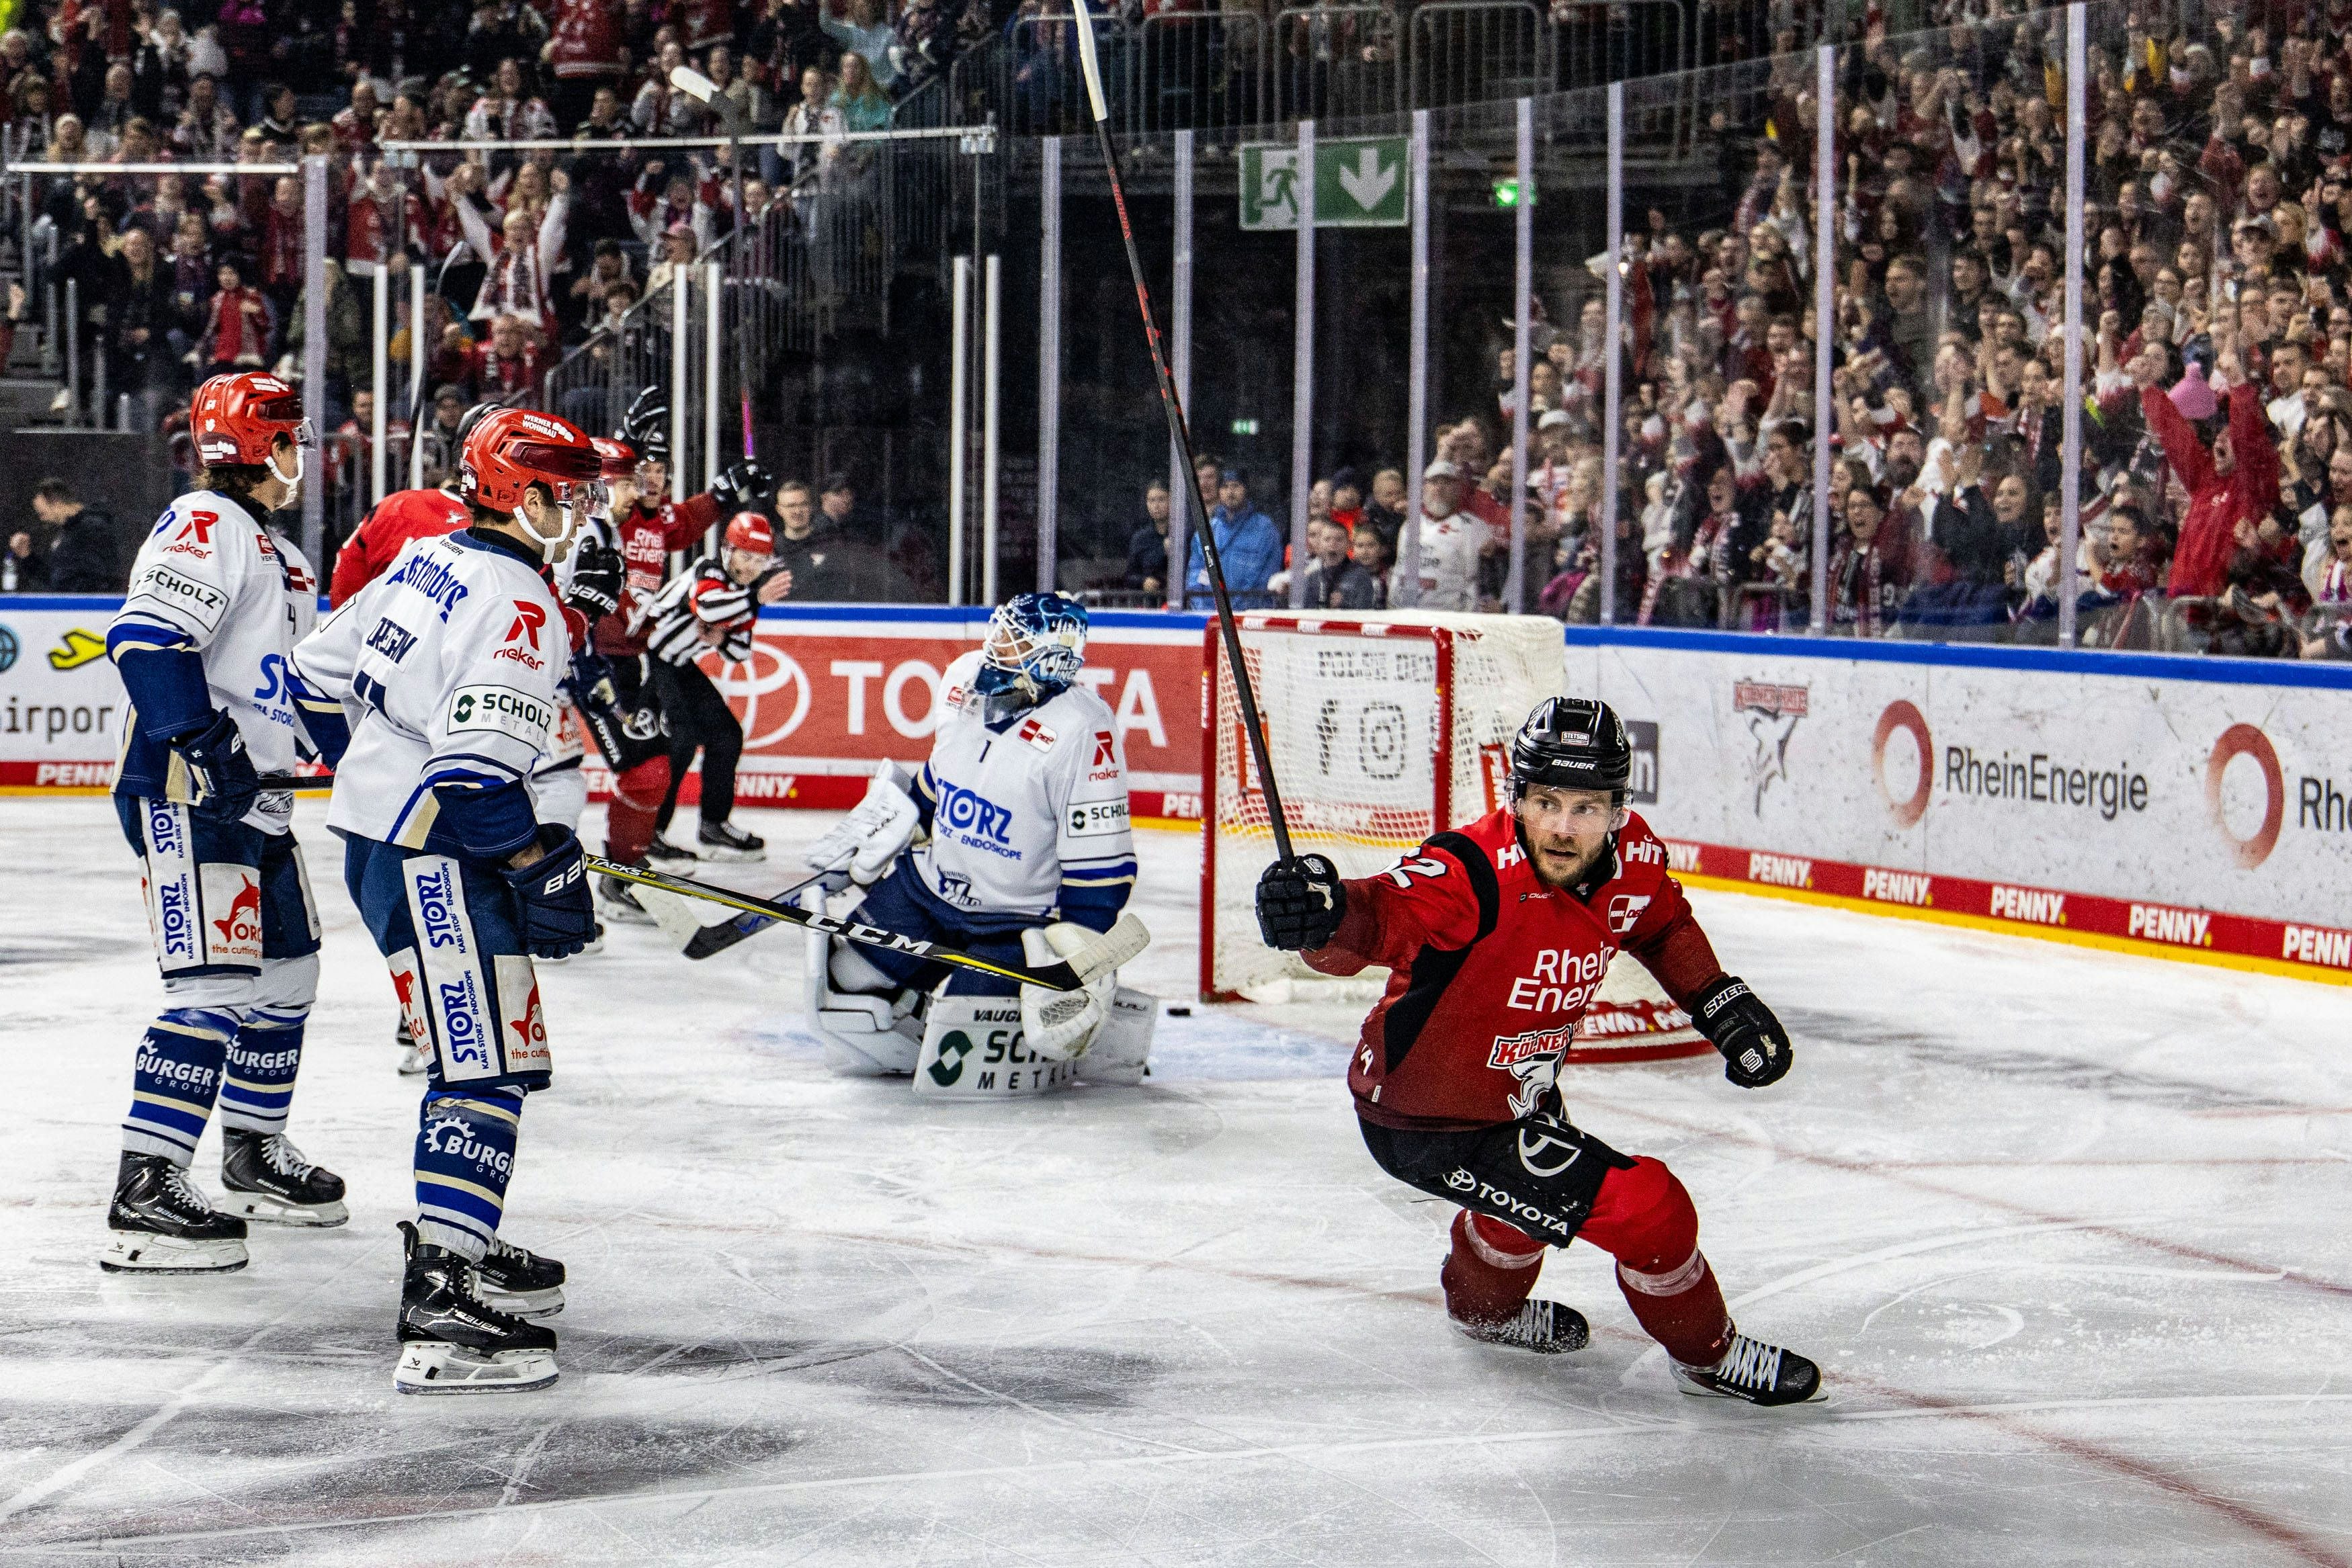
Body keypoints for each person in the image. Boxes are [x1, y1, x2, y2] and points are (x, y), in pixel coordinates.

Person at [1253, 697, 1819, 1405]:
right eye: (1543, 801)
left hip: (1517, 1099)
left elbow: (1660, 921)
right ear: (1514, 798)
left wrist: (1719, 1003)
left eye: (1585, 807)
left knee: (1520, 1214)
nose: (1559, 827)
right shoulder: (1471, 871)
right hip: (1426, 1123)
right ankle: (1709, 1356)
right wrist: (1322, 915)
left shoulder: (1635, 857)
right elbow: (1378, 918)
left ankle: (1481, 1312)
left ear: (1617, 810)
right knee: (1650, 1210)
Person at [292, 406, 603, 1395]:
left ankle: (457, 1236)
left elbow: (312, 675)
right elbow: (475, 777)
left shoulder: (426, 560)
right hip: (442, 858)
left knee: (474, 1054)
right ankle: (441, 1293)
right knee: (484, 1065)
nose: (584, 506)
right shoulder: (518, 602)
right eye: (571, 488)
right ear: (527, 491)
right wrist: (534, 862)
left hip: (386, 844)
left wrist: (378, 783)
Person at [99, 372, 351, 1274]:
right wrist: (210, 750)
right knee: (210, 989)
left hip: (258, 801)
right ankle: (147, 1182)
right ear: (255, 446)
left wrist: (366, 761)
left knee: (289, 973)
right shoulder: (204, 525)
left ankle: (252, 1151)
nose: (301, 454)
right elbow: (144, 641)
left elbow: (295, 685)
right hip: (189, 791)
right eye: (289, 437)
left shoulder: (277, 551)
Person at [800, 593, 1144, 1084]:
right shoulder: (963, 677)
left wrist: (1079, 956)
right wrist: (891, 824)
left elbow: (1101, 860)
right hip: (931, 889)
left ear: (1049, 660)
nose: (993, 648)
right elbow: (944, 771)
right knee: (850, 983)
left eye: (1012, 642)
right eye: (998, 633)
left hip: (1015, 919)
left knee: (966, 1037)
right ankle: (913, 1002)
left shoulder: (1084, 730)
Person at [592, 388, 770, 871]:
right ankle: (637, 848)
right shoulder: (615, 516)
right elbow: (596, 500)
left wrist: (724, 492)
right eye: (640, 473)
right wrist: (622, 442)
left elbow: (688, 519)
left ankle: (695, 829)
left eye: (659, 472)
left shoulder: (658, 519)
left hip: (646, 652)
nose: (650, 481)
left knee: (712, 738)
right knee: (656, 754)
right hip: (609, 657)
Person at [645, 511, 795, 861]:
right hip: (647, 660)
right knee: (678, 742)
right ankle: (650, 832)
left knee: (726, 734)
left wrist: (730, 622)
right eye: (745, 555)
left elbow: (738, 652)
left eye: (759, 560)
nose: (750, 566)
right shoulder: (710, 569)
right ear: (727, 550)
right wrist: (750, 603)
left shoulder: (742, 591)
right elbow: (709, 607)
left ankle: (713, 825)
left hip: (677, 664)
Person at [1184, 468, 1282, 609]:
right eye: (1225, 487)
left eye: (1236, 486)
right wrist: (1205, 613)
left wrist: (1234, 614)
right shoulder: (1207, 530)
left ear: (1246, 490)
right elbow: (1195, 575)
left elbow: (1265, 579)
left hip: (1247, 619)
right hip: (1211, 618)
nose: (1230, 492)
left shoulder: (1264, 529)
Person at [27, 478, 122, 592]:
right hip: (69, 605)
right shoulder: (66, 533)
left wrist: (73, 596)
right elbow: (56, 578)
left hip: (87, 607)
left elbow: (101, 576)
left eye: (42, 513)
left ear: (56, 502)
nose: (42, 519)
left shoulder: (94, 528)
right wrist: (27, 557)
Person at [1301, 515, 1380, 609]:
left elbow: (1364, 610)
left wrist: (1344, 604)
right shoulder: (1314, 577)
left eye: (1339, 540)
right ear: (1320, 543)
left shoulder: (1360, 575)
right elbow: (1306, 611)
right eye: (1327, 539)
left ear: (1348, 545)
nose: (1333, 544)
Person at [1125, 479, 1171, 597]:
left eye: (1161, 499)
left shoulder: (1182, 534)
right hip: (1150, 604)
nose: (1156, 506)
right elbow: (1129, 576)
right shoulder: (1140, 538)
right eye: (1151, 500)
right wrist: (1143, 582)